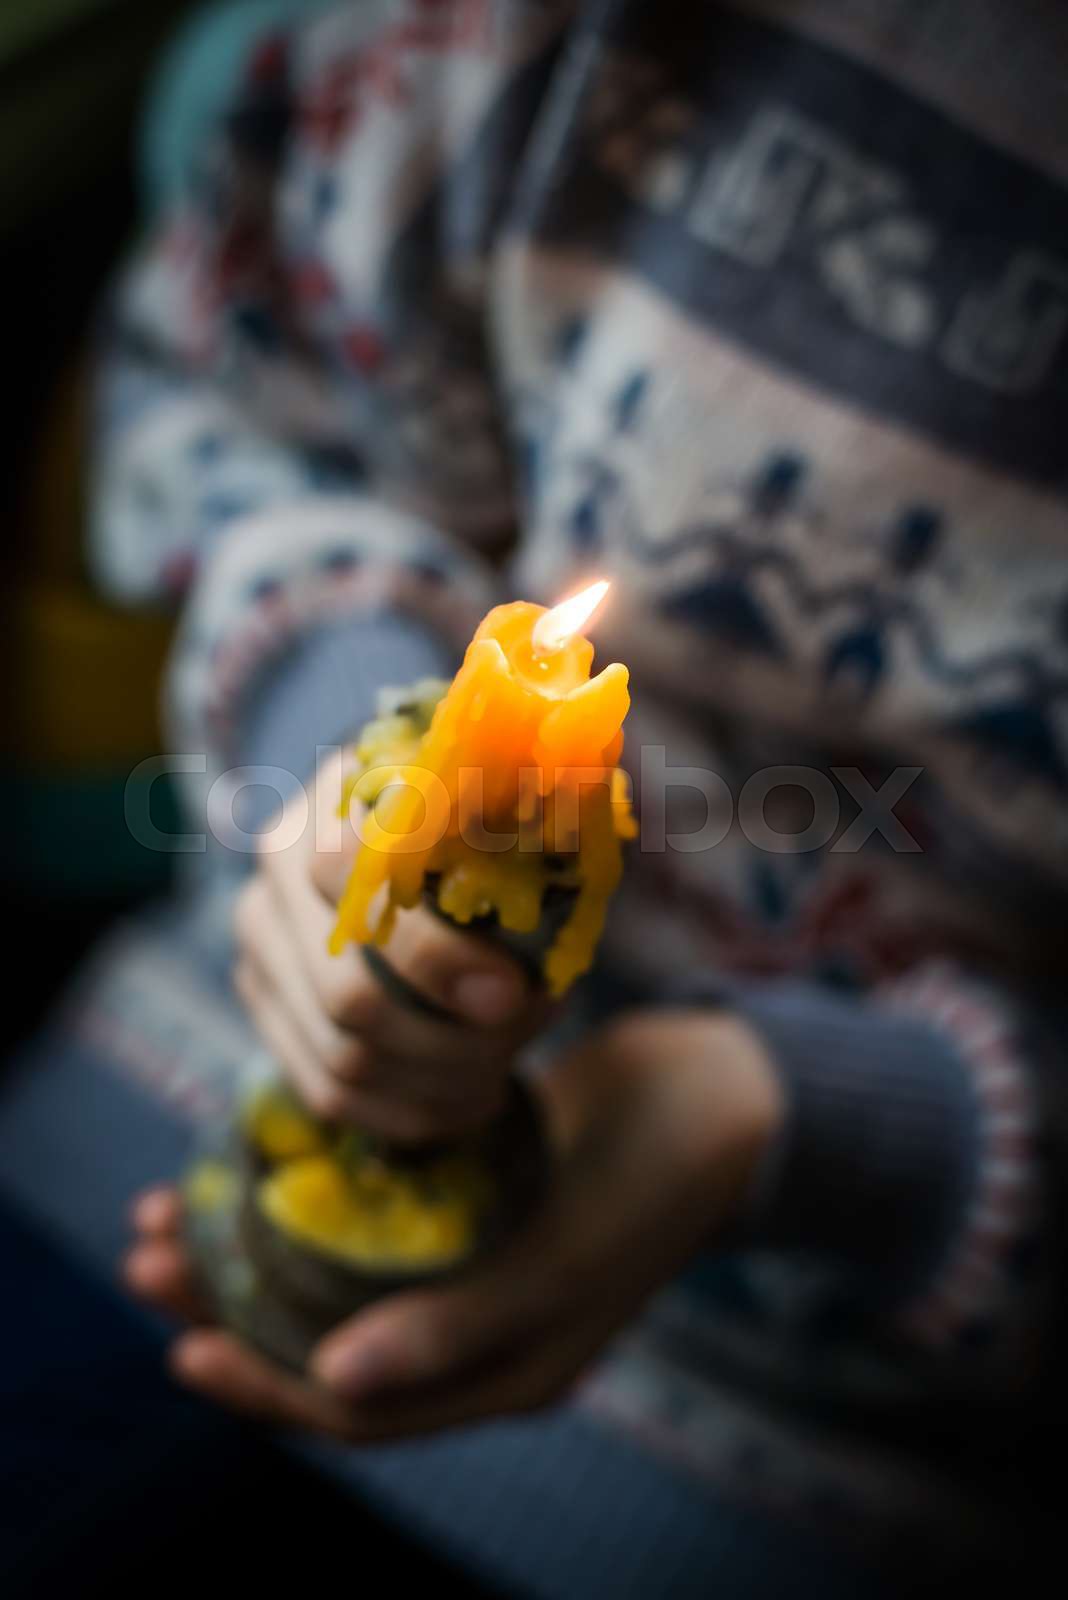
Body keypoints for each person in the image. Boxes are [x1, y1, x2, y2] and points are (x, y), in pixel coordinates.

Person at [4, 1, 1067, 1592]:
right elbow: (228, 397)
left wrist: (786, 1128)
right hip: (167, 1115)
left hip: (804, 1462)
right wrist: (329, 763)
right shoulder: (505, 42)